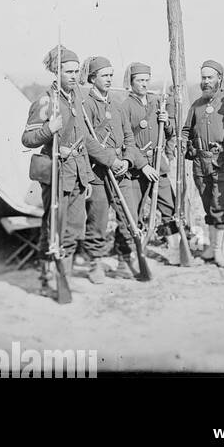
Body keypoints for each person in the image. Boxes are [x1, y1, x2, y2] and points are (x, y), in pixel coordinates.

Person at [21, 46, 115, 298]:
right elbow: (27, 138)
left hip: (79, 173)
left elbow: (85, 138)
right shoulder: (46, 102)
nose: (74, 76)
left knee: (73, 228)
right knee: (53, 227)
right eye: (68, 71)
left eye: (76, 71)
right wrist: (48, 129)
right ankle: (46, 275)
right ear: (56, 72)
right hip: (57, 174)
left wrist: (110, 159)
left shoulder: (79, 100)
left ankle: (64, 278)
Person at [79, 57, 140, 282]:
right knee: (98, 219)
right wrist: (109, 160)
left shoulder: (117, 103)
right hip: (98, 171)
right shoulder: (85, 104)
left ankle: (124, 260)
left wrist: (127, 160)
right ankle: (94, 263)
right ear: (93, 78)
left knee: (129, 216)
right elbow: (86, 139)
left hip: (120, 169)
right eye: (104, 75)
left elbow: (129, 136)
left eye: (111, 75)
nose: (108, 79)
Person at [180, 60, 224, 267]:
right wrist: (183, 144)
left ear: (220, 78)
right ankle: (210, 247)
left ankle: (221, 250)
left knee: (221, 206)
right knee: (208, 205)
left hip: (223, 162)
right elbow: (185, 130)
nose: (206, 81)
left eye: (210, 77)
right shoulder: (196, 105)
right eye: (203, 77)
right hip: (200, 163)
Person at [120, 63, 185, 264]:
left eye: (147, 80)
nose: (144, 84)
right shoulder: (124, 106)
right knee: (134, 212)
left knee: (170, 207)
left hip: (158, 165)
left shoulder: (158, 102)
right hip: (137, 169)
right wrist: (142, 165)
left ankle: (175, 250)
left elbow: (170, 134)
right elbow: (125, 141)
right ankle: (130, 254)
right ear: (131, 82)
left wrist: (166, 124)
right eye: (140, 80)